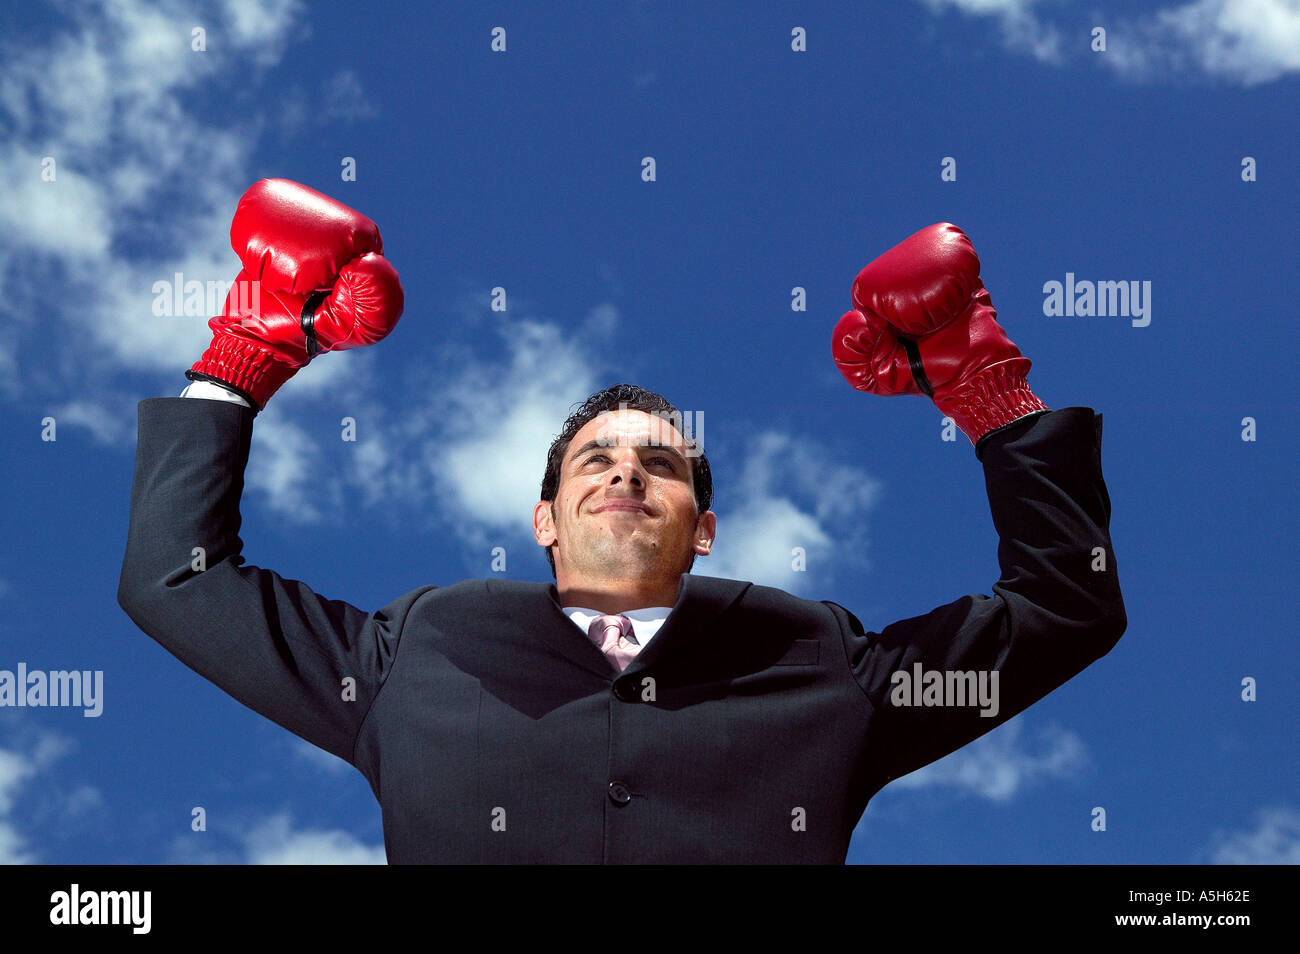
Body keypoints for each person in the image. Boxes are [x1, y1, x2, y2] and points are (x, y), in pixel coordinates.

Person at [117, 179, 1126, 863]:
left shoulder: (819, 658)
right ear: (544, 521)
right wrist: (241, 357)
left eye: (661, 463)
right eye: (593, 459)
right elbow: (179, 580)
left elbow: (1061, 608)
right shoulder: (417, 646)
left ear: (704, 531)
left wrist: (989, 395)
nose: (624, 472)